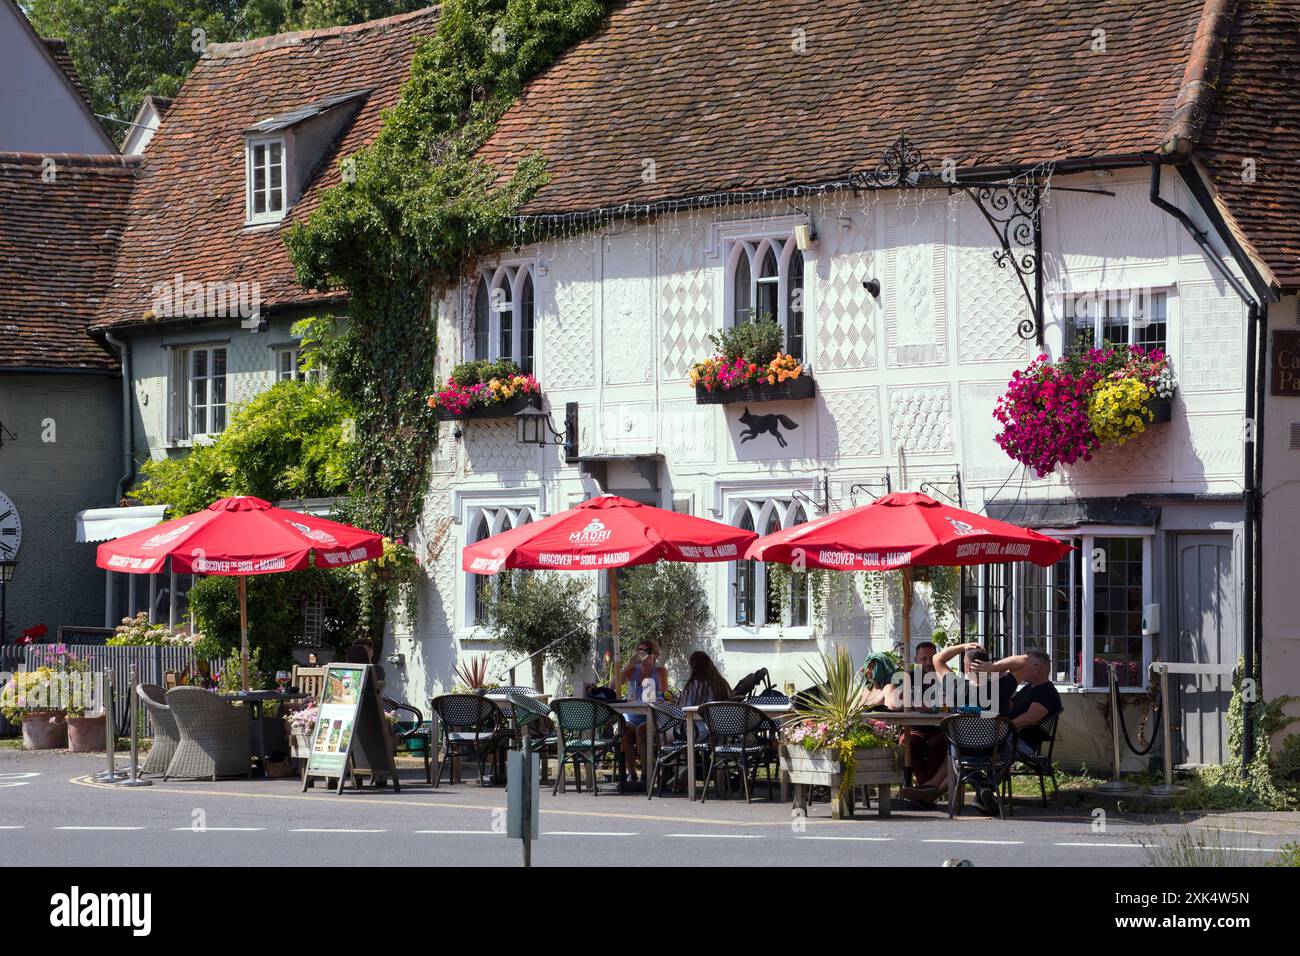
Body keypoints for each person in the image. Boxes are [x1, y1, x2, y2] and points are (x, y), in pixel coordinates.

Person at [963, 647, 1063, 813]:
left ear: (1037, 668)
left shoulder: (1046, 692)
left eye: (1028, 664)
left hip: (1022, 741)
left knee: (969, 745)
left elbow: (1028, 719)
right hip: (1009, 734)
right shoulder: (1029, 688)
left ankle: (982, 786)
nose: (1019, 669)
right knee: (968, 742)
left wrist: (1000, 728)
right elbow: (1010, 707)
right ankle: (983, 790)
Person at [898, 641, 946, 791]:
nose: (928, 663)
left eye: (932, 658)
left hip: (938, 729)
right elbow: (899, 703)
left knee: (942, 744)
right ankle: (924, 785)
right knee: (908, 743)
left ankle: (923, 788)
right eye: (924, 658)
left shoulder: (943, 677)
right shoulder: (909, 678)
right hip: (915, 728)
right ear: (916, 660)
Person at [620, 639, 669, 785]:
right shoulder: (631, 671)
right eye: (639, 650)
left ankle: (646, 774)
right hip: (632, 715)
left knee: (642, 731)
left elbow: (664, 695)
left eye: (645, 650)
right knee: (625, 730)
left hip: (652, 716)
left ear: (654, 655)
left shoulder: (659, 672)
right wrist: (628, 666)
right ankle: (631, 773)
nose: (641, 653)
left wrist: (659, 695)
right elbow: (612, 686)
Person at [678, 650, 731, 739]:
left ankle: (681, 752)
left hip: (698, 731)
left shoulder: (693, 686)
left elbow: (682, 711)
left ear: (693, 667)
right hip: (721, 733)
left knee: (663, 734)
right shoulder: (722, 684)